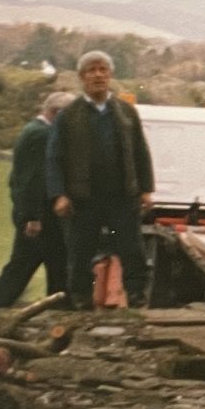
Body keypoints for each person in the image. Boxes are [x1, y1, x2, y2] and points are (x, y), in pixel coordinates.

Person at [47, 51, 155, 308]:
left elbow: (141, 151)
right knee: (81, 252)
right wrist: (59, 194)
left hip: (121, 197)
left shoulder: (126, 112)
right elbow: (54, 158)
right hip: (84, 199)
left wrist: (146, 189)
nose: (98, 75)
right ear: (82, 77)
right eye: (92, 70)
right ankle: (81, 301)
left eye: (103, 69)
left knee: (131, 249)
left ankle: (137, 298)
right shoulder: (68, 116)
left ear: (110, 75)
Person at [0, 91, 76, 308]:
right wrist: (32, 217)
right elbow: (34, 180)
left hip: (41, 215)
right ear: (58, 113)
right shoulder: (42, 136)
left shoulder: (34, 131)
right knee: (28, 266)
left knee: (47, 264)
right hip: (41, 217)